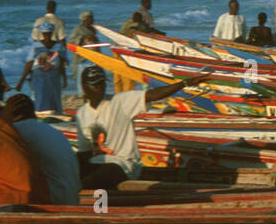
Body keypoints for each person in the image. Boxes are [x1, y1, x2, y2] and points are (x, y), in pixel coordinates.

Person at [74, 64, 212, 190]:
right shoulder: (82, 114)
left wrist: (184, 83)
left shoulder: (120, 101)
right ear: (84, 87)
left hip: (123, 164)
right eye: (94, 85)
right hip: (97, 163)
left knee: (94, 179)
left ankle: (90, 204)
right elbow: (84, 152)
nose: (100, 88)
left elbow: (152, 95)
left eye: (102, 84)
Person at [2, 94, 81, 205]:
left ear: (9, 114)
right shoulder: (53, 131)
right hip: (72, 197)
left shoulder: (15, 131)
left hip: (55, 200)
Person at [15, 30, 68, 114]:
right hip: (39, 75)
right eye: (45, 34)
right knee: (40, 95)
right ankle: (40, 112)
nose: (47, 35)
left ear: (51, 34)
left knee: (54, 96)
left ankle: (55, 113)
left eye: (49, 33)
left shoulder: (58, 46)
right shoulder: (36, 46)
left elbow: (61, 64)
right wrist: (21, 81)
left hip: (54, 74)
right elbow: (30, 63)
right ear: (42, 34)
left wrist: (64, 79)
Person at [68, 11, 98, 94]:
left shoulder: (93, 29)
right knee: (82, 78)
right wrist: (83, 38)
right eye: (90, 18)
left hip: (93, 57)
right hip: (82, 59)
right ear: (85, 19)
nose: (92, 20)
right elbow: (71, 42)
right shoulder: (78, 29)